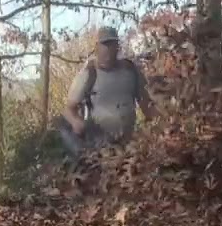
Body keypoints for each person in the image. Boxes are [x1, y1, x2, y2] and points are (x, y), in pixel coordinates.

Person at [53, 26, 155, 159]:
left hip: (128, 144)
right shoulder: (89, 73)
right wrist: (75, 122)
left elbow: (146, 103)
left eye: (112, 44)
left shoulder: (130, 70)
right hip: (99, 146)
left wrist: (155, 128)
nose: (108, 49)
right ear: (97, 47)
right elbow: (68, 109)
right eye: (104, 45)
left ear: (118, 46)